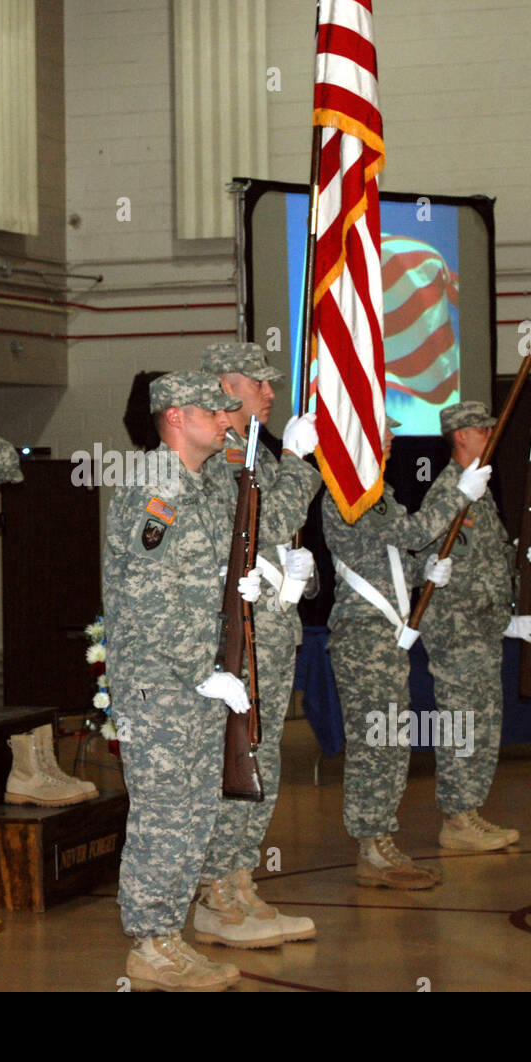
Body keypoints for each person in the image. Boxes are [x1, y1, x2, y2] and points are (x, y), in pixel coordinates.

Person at [103, 371, 273, 991]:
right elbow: (148, 597)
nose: (227, 419)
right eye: (213, 409)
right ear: (175, 415)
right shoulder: (153, 488)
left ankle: (168, 936)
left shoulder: (201, 487)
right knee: (164, 815)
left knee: (194, 812)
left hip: (199, 682)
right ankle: (150, 946)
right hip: (162, 686)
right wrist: (204, 669)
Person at [322, 420, 491, 889]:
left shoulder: (380, 493)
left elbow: (392, 556)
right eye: (379, 430)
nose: (390, 437)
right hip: (364, 636)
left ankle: (380, 840)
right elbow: (410, 532)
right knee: (376, 745)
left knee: (391, 743)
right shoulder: (348, 495)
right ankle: (371, 846)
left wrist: (424, 571)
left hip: (385, 633)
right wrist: (460, 494)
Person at [194, 341, 322, 948]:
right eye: (259, 383)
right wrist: (299, 460)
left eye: (272, 384)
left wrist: (300, 573)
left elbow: (276, 540)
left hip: (271, 634)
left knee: (261, 760)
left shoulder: (255, 453)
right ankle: (215, 893)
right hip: (233, 643)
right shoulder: (220, 452)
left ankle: (240, 880)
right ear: (225, 386)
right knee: (231, 757)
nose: (271, 393)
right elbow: (267, 520)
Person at [413, 402, 531, 851]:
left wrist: (521, 559)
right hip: (455, 628)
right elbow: (419, 554)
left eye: (489, 427)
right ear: (459, 436)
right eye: (481, 429)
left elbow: (485, 557)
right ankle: (456, 817)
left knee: (484, 721)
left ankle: (468, 809)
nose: (489, 433)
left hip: (482, 627)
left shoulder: (480, 492)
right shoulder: (449, 491)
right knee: (463, 722)